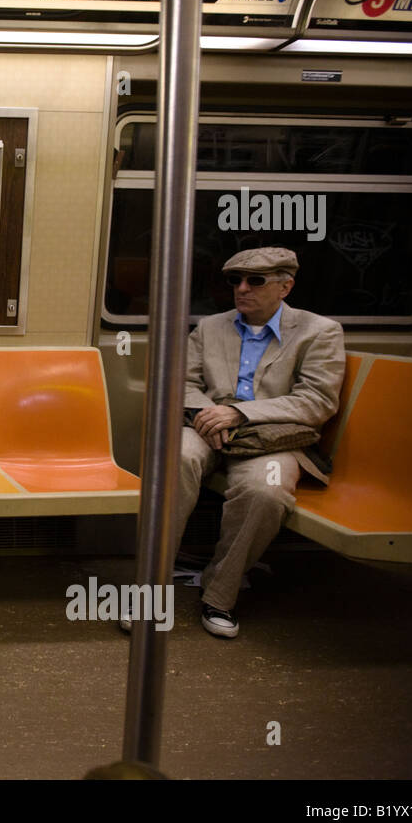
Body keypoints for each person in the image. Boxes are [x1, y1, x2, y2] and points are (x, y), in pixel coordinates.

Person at [123, 247, 345, 638]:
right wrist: (211, 414)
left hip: (271, 436)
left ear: (285, 286)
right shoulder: (211, 327)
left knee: (266, 491)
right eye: (234, 281)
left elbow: (317, 402)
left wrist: (242, 413)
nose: (242, 289)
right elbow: (182, 383)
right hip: (206, 426)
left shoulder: (319, 332)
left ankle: (220, 595)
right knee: (172, 459)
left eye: (255, 281)